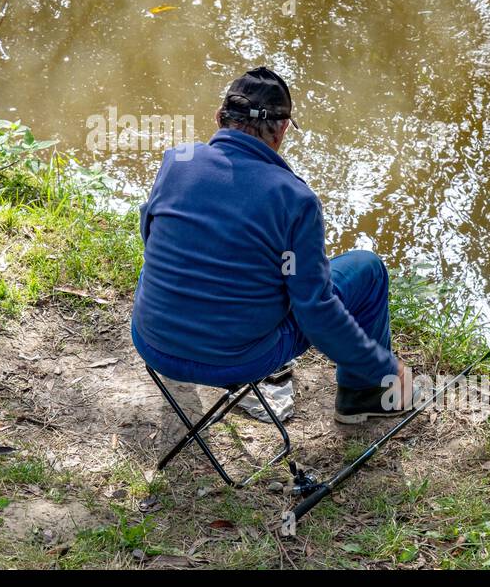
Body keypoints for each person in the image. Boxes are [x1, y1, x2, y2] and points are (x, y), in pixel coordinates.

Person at [131, 67, 412, 421]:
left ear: (219, 118)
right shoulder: (295, 198)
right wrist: (385, 366)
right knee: (366, 270)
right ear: (280, 131)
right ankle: (366, 392)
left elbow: (150, 235)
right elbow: (316, 313)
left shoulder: (177, 160)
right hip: (238, 360)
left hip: (153, 341)